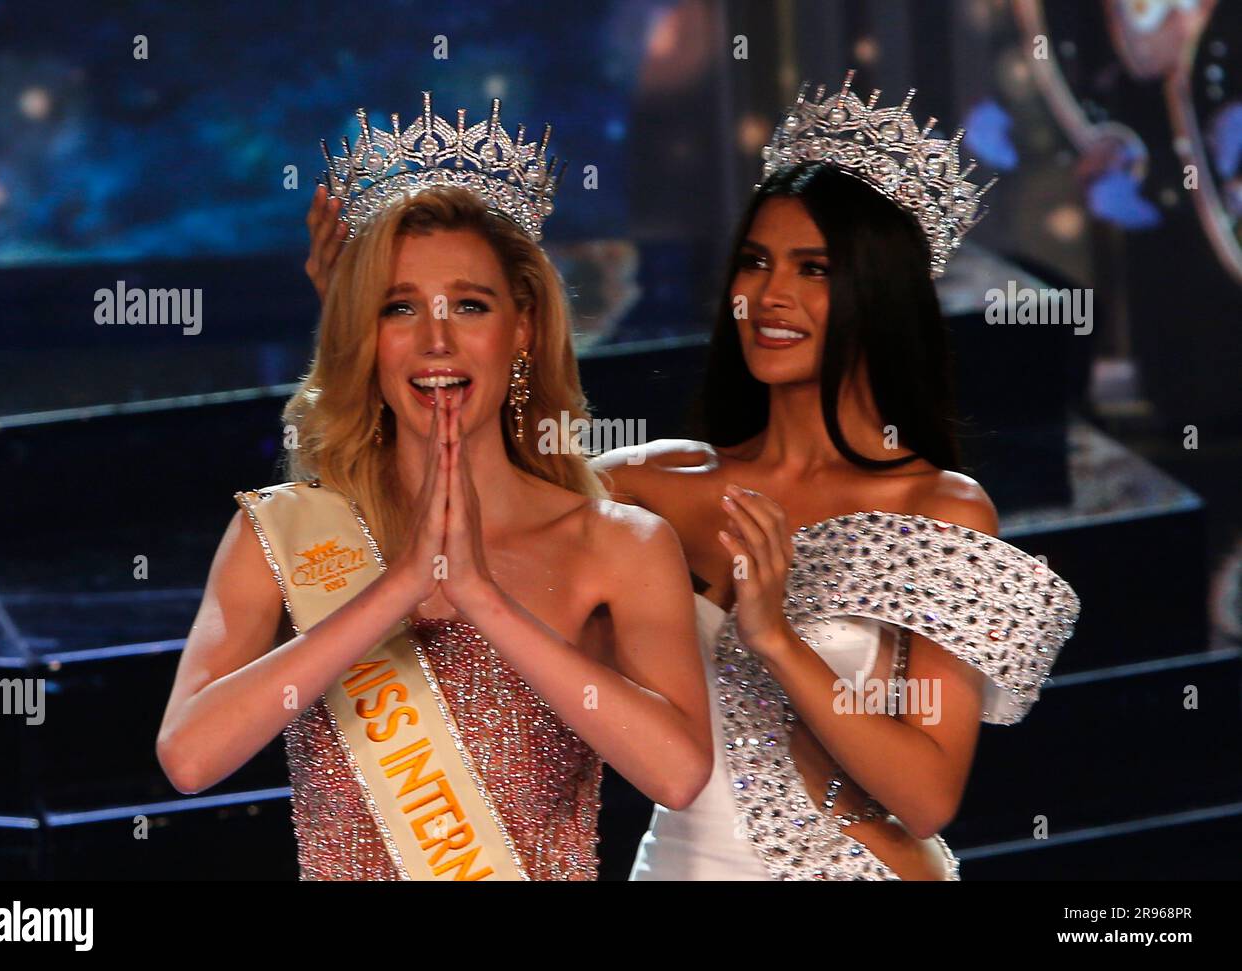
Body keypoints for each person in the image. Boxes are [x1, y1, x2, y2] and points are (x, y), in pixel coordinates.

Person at [156, 96, 712, 881]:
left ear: (522, 328)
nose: (437, 340)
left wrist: (482, 598)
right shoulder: (281, 532)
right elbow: (188, 755)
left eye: (471, 305)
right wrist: (398, 590)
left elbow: (678, 773)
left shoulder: (616, 542)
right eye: (399, 307)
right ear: (365, 336)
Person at [596, 75, 1081, 880]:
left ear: (877, 295)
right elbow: (483, 505)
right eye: (755, 262)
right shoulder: (648, 482)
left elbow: (926, 795)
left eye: (813, 268)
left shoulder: (938, 508)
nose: (770, 294)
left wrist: (776, 639)